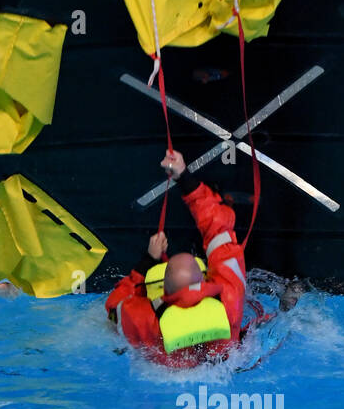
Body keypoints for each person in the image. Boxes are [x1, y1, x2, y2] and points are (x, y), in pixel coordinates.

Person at [104, 150, 248, 367]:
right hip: (228, 369)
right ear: (205, 278)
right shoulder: (230, 296)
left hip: (169, 380)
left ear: (164, 290)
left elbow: (113, 308)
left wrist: (148, 261)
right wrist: (184, 176)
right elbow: (219, 231)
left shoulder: (144, 319)